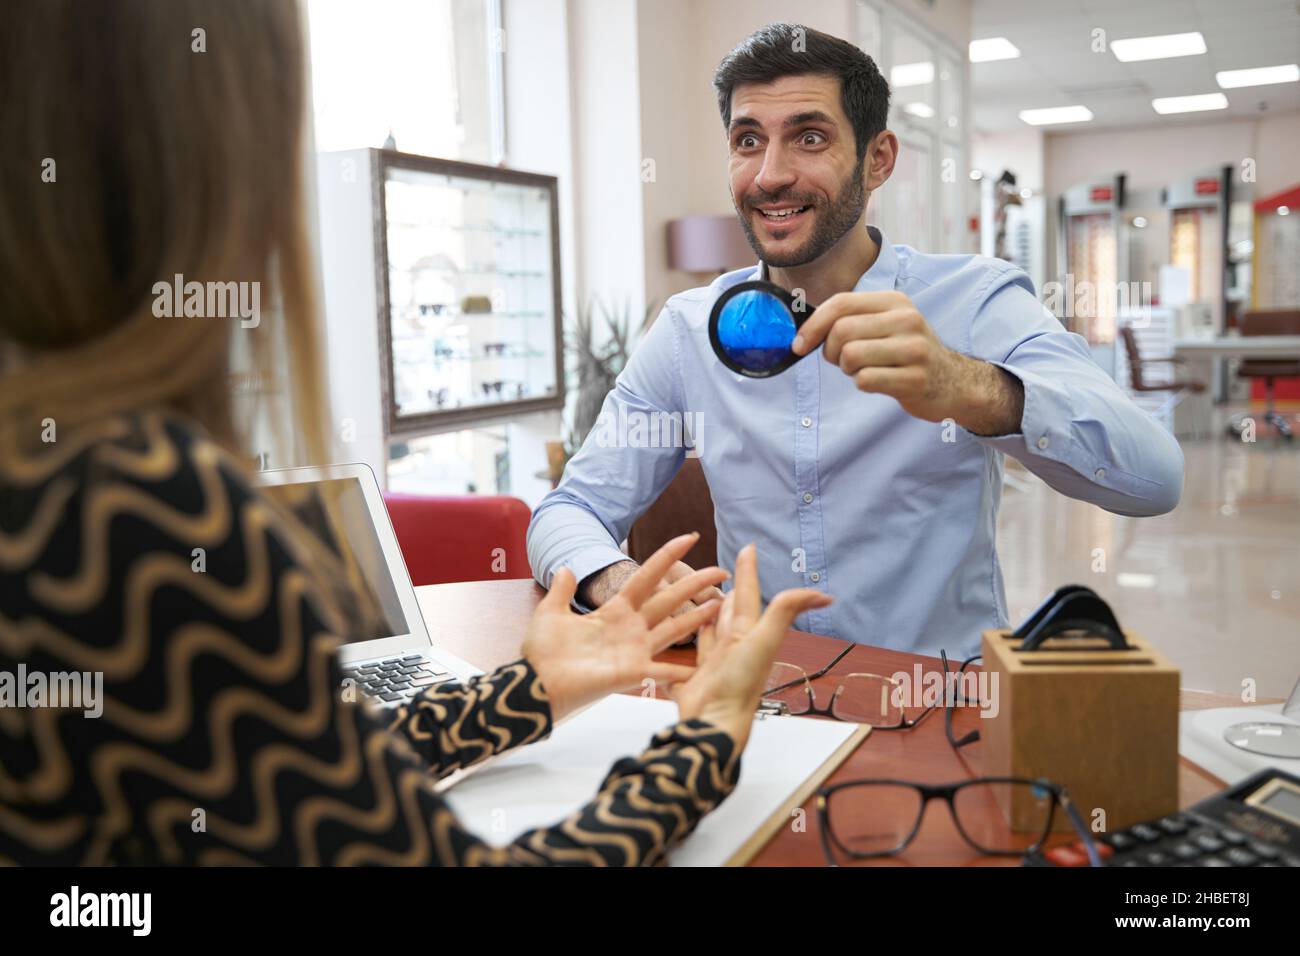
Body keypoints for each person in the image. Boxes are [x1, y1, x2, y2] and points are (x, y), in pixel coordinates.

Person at [0, 0, 829, 867]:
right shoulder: (131, 516)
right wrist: (707, 742)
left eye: (807, 136)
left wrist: (530, 692)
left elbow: (289, 774)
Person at [528, 23, 1185, 658]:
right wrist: (616, 581)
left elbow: (1155, 478)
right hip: (761, 693)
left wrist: (970, 388)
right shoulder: (687, 329)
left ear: (878, 159)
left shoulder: (977, 300)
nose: (769, 175)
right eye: (748, 140)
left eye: (809, 137)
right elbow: (569, 509)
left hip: (940, 704)